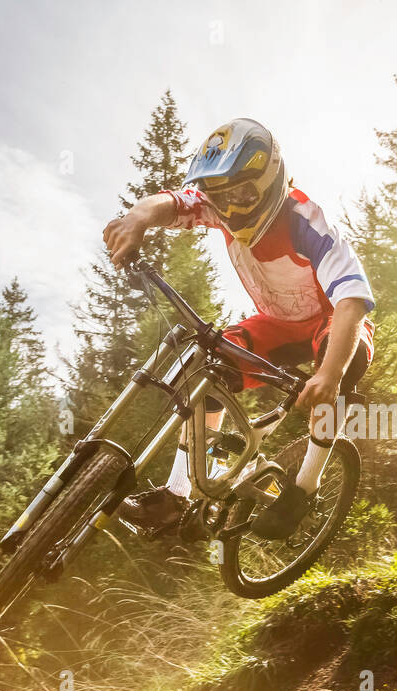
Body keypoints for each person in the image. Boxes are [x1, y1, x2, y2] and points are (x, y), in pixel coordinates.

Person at [102, 117, 375, 540]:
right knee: (204, 368)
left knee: (344, 364)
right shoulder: (221, 206)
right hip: (276, 325)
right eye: (219, 196)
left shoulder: (306, 221)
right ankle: (178, 495)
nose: (232, 208)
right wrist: (136, 219)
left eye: (244, 193)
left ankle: (304, 489)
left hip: (329, 321)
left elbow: (352, 299)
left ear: (272, 180)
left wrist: (330, 374)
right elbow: (174, 202)